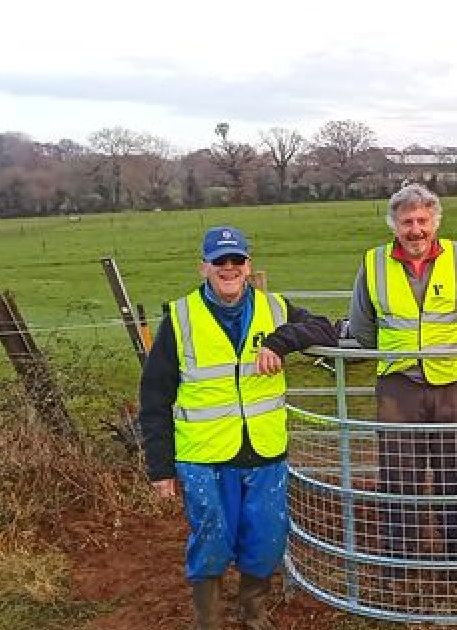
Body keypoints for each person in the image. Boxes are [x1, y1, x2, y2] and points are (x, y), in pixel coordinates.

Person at [139, 226, 337, 630]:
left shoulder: (275, 308)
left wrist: (282, 341)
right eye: (219, 262)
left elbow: (324, 328)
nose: (228, 268)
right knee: (211, 537)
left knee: (266, 537)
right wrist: (160, 468)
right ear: (204, 268)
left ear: (249, 266)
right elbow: (154, 397)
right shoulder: (180, 319)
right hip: (204, 455)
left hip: (265, 451)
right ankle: (207, 619)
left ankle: (254, 613)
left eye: (237, 260)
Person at [347, 183, 457, 577]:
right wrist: (400, 352)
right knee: (398, 474)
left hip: (454, 385)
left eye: (423, 221)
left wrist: (448, 351)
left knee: (455, 471)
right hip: (399, 385)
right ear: (394, 225)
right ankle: (401, 561)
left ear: (436, 222)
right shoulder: (374, 263)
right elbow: (362, 326)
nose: (416, 230)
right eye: (407, 221)